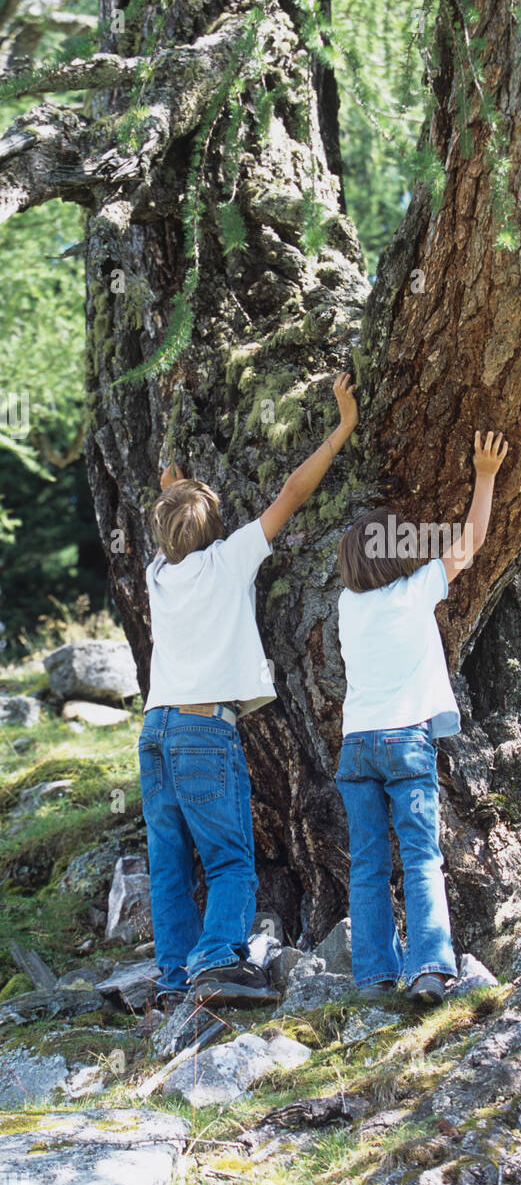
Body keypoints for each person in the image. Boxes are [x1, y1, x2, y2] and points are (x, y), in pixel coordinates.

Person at [139, 373, 358, 1009]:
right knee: (231, 859)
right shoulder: (232, 558)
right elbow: (294, 490)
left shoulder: (158, 574)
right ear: (212, 530)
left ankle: (175, 979)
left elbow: (172, 514)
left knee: (170, 865)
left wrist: (173, 485)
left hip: (154, 732)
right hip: (206, 730)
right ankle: (215, 961)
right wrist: (341, 427)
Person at [335, 430, 509, 1006]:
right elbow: (472, 540)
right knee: (419, 857)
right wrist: (483, 475)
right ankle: (430, 967)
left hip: (356, 746)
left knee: (366, 864)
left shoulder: (346, 606)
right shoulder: (415, 591)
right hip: (406, 741)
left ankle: (373, 975)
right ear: (397, 553)